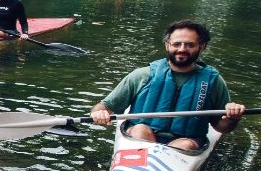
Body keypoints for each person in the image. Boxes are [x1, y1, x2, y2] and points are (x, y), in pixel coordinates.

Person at [91, 20, 245, 151]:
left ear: (202, 46)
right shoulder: (142, 75)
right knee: (140, 130)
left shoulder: (214, 81)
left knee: (184, 145)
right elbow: (104, 106)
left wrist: (232, 118)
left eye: (189, 45)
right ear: (167, 45)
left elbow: (221, 127)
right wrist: (100, 113)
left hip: (186, 142)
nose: (182, 49)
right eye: (176, 44)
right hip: (141, 136)